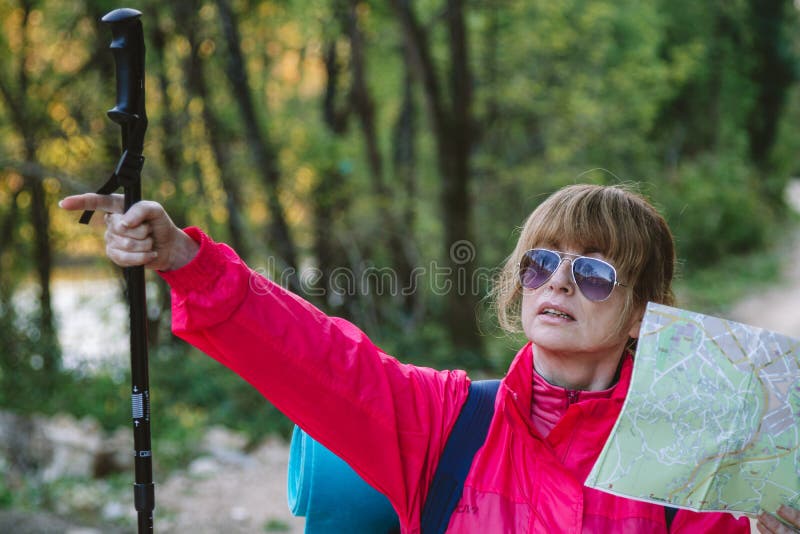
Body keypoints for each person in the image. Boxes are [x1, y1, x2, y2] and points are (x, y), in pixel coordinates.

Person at [60, 184, 799, 533]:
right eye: (542, 264)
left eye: (596, 272)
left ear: (641, 310)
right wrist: (187, 260)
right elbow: (310, 354)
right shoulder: (444, 423)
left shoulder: (698, 460)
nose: (561, 284)